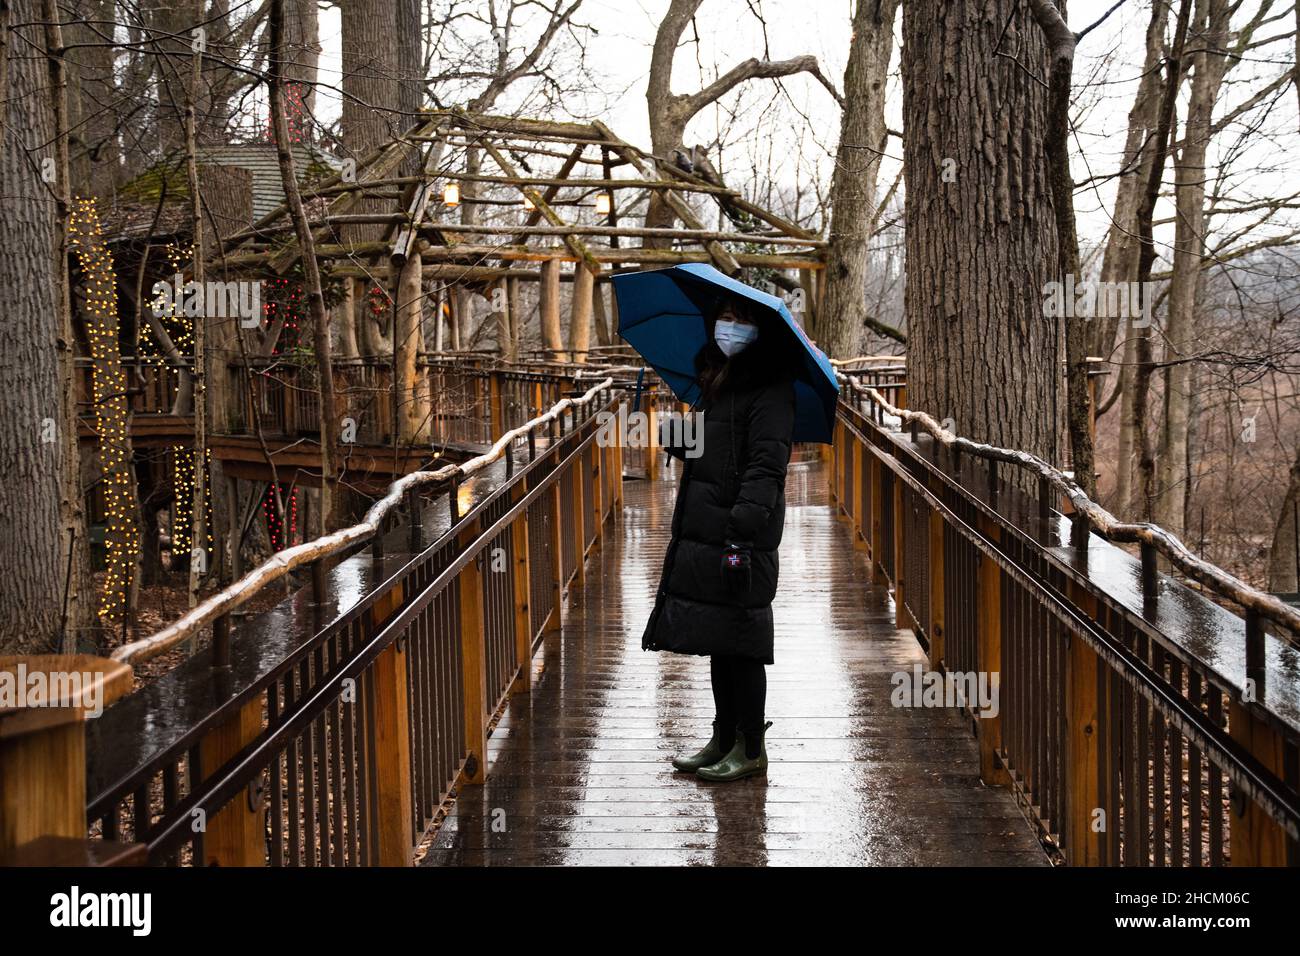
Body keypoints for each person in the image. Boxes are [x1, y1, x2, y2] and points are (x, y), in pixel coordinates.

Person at [641, 297, 797, 782]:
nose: (731, 328)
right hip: (709, 532)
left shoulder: (771, 388)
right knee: (719, 639)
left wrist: (741, 535)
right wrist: (682, 436)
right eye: (725, 318)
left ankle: (751, 747)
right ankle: (722, 736)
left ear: (761, 333)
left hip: (739, 537)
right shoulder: (717, 381)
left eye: (743, 321)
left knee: (743, 644)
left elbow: (765, 468)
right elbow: (718, 448)